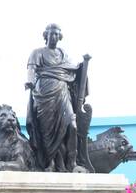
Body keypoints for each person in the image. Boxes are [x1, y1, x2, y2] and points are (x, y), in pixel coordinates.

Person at [24, 23, 89, 172]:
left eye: (56, 34)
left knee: (72, 126)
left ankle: (72, 163)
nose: (53, 37)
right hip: (43, 92)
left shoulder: (63, 53)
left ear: (59, 36)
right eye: (51, 33)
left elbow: (72, 70)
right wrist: (30, 81)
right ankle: (51, 162)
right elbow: (31, 69)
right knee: (47, 130)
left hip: (62, 91)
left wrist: (82, 67)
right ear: (45, 35)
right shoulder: (37, 52)